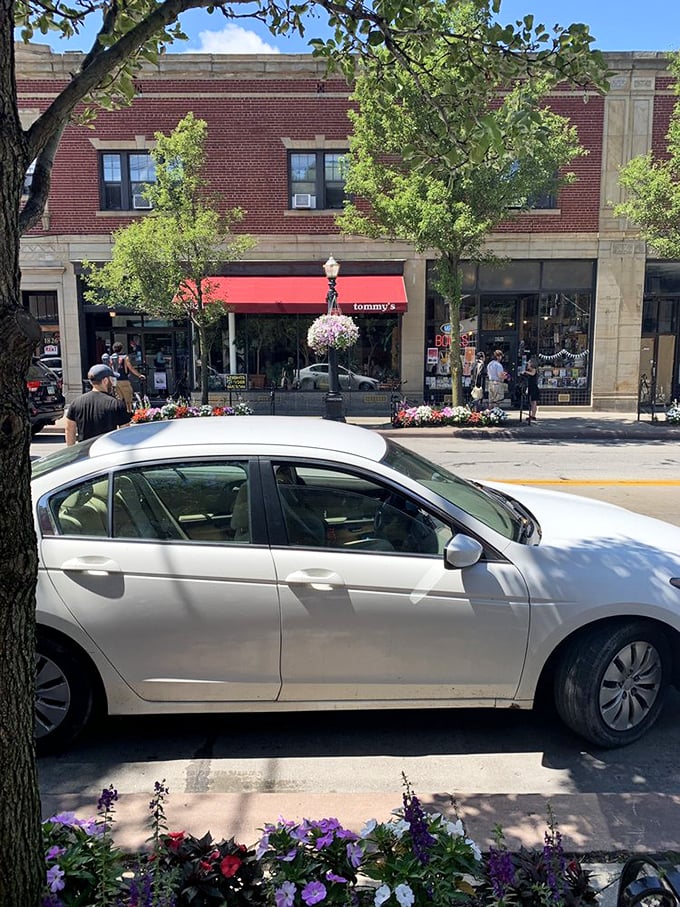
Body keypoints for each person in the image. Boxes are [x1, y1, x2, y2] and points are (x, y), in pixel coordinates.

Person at [64, 364, 130, 445]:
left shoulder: (76, 403)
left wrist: (71, 451)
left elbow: (69, 429)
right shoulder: (116, 404)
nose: (112, 383)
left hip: (85, 453)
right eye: (111, 380)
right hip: (108, 451)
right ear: (105, 381)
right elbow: (125, 431)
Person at [109, 340, 146, 412]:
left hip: (114, 381)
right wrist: (139, 375)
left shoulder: (110, 358)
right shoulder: (125, 357)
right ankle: (129, 415)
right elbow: (131, 368)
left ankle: (120, 415)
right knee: (128, 399)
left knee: (118, 400)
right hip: (124, 380)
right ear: (122, 348)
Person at [524, 356, 540, 424]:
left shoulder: (534, 369)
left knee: (534, 402)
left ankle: (533, 415)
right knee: (531, 402)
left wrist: (526, 372)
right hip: (530, 386)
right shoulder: (530, 369)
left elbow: (532, 374)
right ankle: (531, 414)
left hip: (534, 387)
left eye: (530, 362)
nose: (528, 363)